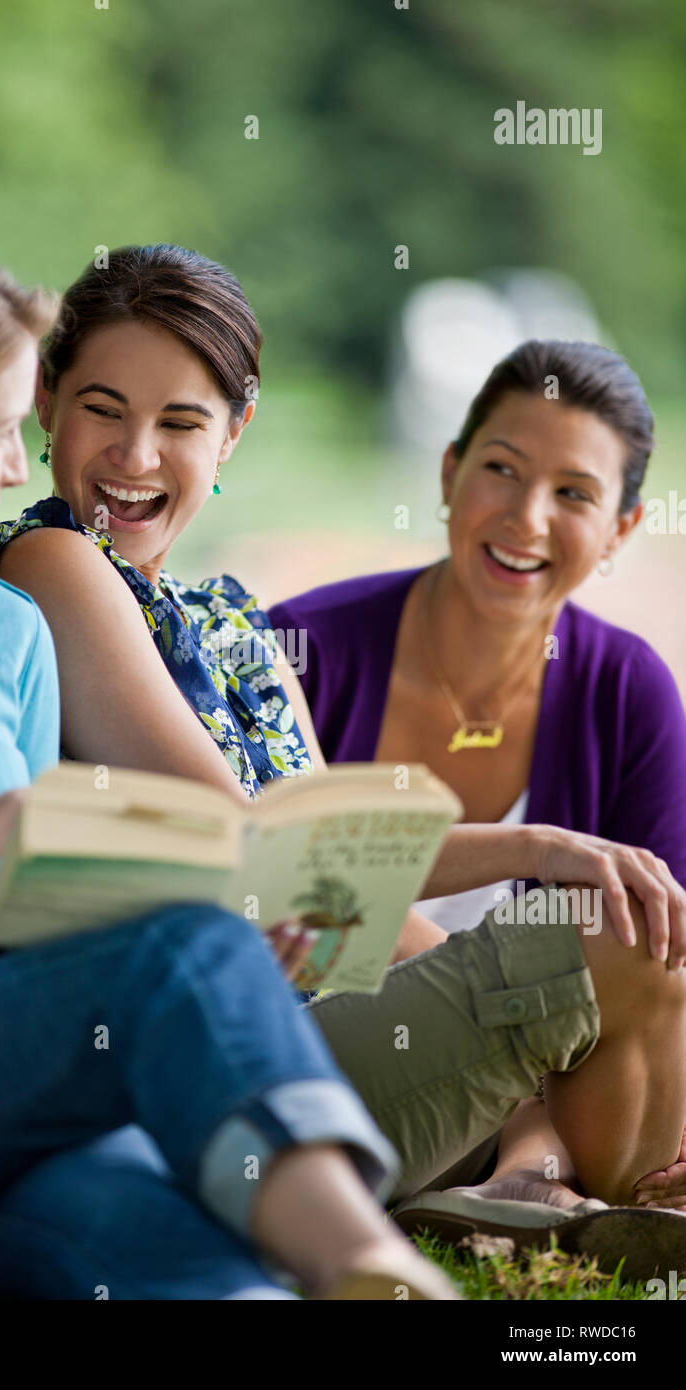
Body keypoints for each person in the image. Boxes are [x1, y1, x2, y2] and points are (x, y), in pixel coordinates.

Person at [0, 245, 686, 1267]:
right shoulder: (54, 563)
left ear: (233, 433)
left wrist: (532, 1106)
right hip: (221, 1065)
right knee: (606, 922)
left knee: (632, 930)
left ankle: (550, 1188)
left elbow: (360, 892)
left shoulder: (231, 622)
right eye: (102, 407)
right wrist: (542, 846)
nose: (134, 456)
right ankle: (605, 1200)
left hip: (329, 1031)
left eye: (180, 422)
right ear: (45, 401)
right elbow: (263, 848)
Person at [0, 226, 465, 1303]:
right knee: (173, 954)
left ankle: (357, 1280)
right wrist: (2, 825)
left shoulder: (2, 630)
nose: (18, 469)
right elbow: (0, 839)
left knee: (190, 1266)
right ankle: (366, 1251)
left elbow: (13, 935)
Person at [269, 339, 686, 1226]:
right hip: (338, 1054)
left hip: (569, 1108)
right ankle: (531, 1174)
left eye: (574, 493)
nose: (527, 518)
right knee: (599, 920)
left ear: (619, 528)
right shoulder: (306, 647)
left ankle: (572, 1191)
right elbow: (295, 892)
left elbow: (665, 953)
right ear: (451, 474)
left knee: (643, 926)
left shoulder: (627, 688)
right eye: (502, 469)